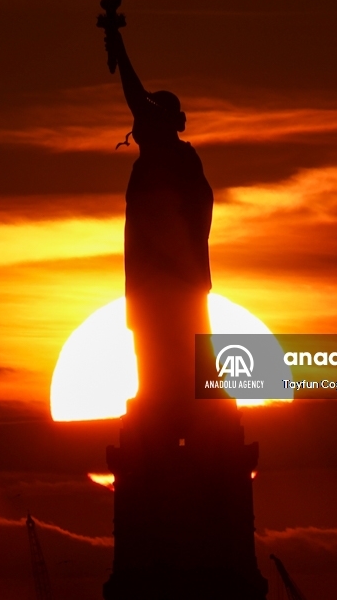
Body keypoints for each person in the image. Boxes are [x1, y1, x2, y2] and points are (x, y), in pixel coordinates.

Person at [103, 27, 215, 412]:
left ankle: (179, 398)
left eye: (150, 115)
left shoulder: (171, 158)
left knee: (176, 338)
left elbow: (136, 97)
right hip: (156, 273)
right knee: (153, 342)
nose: (140, 123)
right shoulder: (172, 159)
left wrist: (120, 47)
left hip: (172, 274)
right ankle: (161, 395)